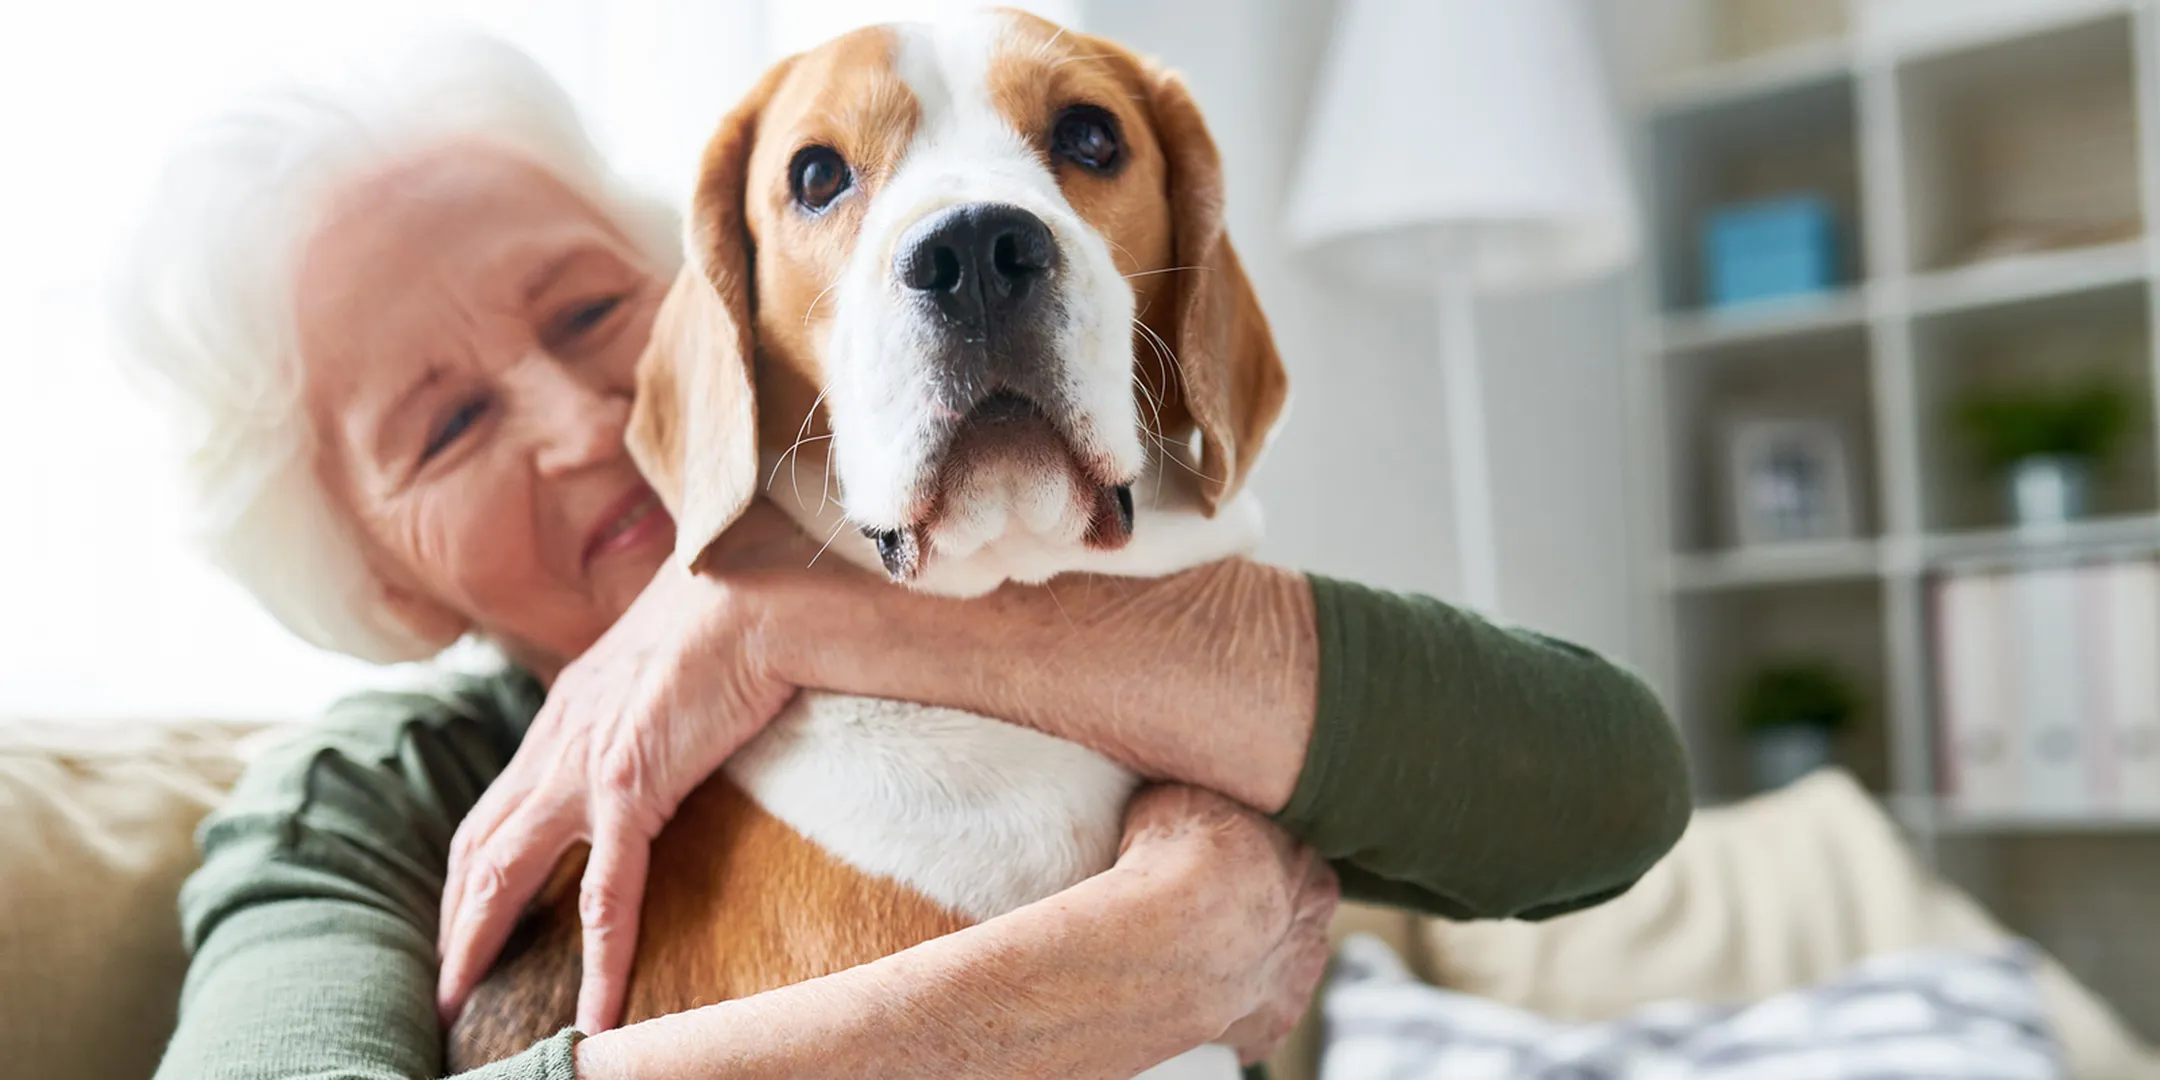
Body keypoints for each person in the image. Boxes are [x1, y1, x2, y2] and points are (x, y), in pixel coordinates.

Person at [117, 33, 1690, 1080]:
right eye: (446, 424)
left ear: (726, 319)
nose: (580, 422)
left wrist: (790, 623)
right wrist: (1109, 968)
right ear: (381, 576)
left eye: (595, 314)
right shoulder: (370, 798)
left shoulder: (1050, 563)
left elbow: (1613, 793)